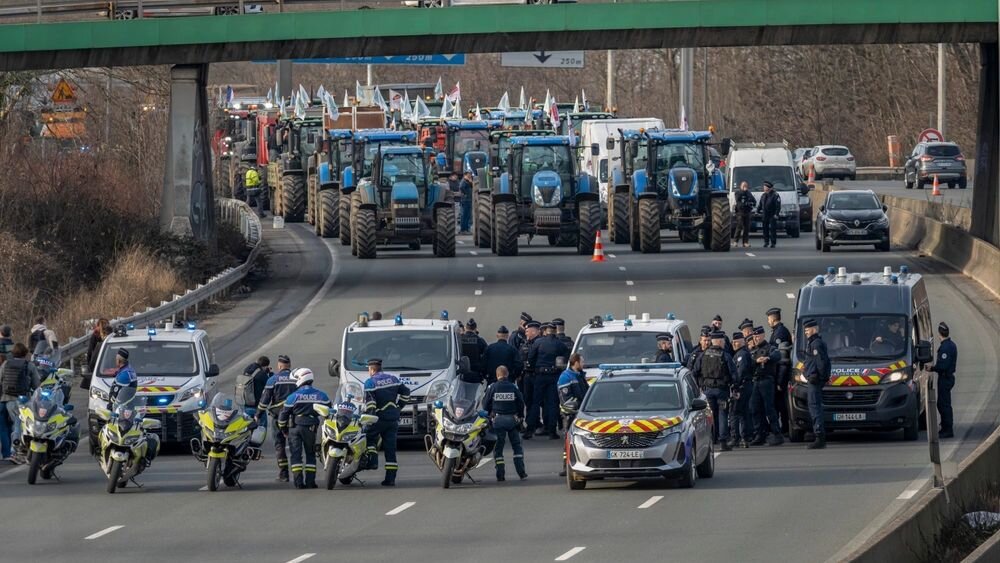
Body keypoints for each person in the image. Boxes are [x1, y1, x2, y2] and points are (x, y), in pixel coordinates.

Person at [278, 368, 331, 489]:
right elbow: (329, 412)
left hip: (295, 428)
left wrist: (283, 429)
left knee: (296, 455)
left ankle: (298, 483)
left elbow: (283, 415)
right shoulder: (321, 395)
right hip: (312, 429)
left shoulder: (293, 397)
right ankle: (310, 482)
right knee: (310, 454)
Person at [363, 358, 411, 486]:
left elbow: (371, 404)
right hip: (393, 419)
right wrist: (398, 407)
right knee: (390, 449)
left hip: (378, 418)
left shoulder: (370, 383)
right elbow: (406, 392)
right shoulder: (393, 379)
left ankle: (373, 461)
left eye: (368, 369)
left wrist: (369, 418)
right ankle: (390, 479)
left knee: (369, 437)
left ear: (372, 369)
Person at [482, 366, 527, 482]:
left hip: (498, 421)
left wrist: (488, 415)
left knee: (498, 449)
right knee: (517, 447)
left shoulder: (492, 387)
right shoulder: (513, 387)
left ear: (497, 375)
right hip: (512, 420)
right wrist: (521, 416)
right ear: (507, 374)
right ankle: (521, 472)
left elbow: (485, 404)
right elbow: (521, 403)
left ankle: (500, 474)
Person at [525, 322, 568, 440]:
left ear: (546, 331)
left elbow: (530, 358)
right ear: (554, 332)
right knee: (553, 404)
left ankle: (529, 430)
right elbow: (565, 360)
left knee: (535, 403)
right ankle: (552, 431)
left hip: (540, 375)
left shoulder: (538, 343)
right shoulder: (560, 344)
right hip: (554, 376)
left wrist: (535, 369)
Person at [258, 355, 297, 482]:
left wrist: (258, 413)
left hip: (277, 417)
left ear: (279, 366)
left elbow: (265, 401)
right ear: (289, 366)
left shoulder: (273, 380)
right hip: (294, 418)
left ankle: (284, 474)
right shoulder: (297, 379)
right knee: (295, 446)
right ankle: (298, 475)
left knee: (279, 445)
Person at [1, 343, 41, 462]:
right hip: (23, 399)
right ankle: (16, 451)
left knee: (13, 425)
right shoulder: (29, 365)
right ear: (25, 353)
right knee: (19, 424)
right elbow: (36, 385)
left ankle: (12, 451)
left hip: (7, 399)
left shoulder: (6, 364)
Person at [697, 331, 736, 450]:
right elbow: (733, 373)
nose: (724, 343)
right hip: (721, 390)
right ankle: (723, 441)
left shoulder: (703, 355)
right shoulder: (725, 355)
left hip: (707, 390)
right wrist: (736, 386)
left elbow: (695, 371)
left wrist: (700, 385)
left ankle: (711, 440)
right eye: (723, 341)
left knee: (710, 415)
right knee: (723, 414)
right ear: (719, 341)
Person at [749, 327, 783, 446]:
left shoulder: (770, 348)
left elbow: (777, 356)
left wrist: (767, 358)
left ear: (763, 335)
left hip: (767, 381)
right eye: (754, 337)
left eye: (758, 336)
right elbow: (748, 364)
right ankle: (760, 434)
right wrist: (756, 361)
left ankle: (777, 434)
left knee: (769, 408)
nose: (756, 339)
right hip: (756, 381)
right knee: (754, 408)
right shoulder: (753, 351)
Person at [557, 353, 588, 476]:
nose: (583, 364)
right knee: (568, 441)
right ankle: (566, 466)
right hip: (570, 415)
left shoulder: (580, 375)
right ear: (576, 362)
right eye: (582, 361)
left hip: (582, 414)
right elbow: (565, 399)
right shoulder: (566, 377)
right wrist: (578, 406)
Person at [800, 319, 830, 449]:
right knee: (814, 406)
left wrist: (819, 377)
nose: (805, 332)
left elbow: (821, 363)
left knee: (814, 407)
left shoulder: (816, 344)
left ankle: (819, 436)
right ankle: (818, 433)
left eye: (807, 330)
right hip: (812, 378)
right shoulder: (813, 343)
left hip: (814, 380)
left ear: (814, 329)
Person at [928, 322, 957, 439]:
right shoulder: (951, 345)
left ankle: (947, 429)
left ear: (939, 333)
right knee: (943, 403)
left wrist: (932, 368)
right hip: (947, 377)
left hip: (945, 377)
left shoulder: (945, 347)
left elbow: (943, 366)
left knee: (944, 404)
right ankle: (945, 426)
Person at [767, 307, 793, 435]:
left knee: (780, 403)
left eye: (768, 318)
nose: (768, 321)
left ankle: (785, 428)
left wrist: (779, 380)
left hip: (780, 374)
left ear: (772, 318)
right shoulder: (778, 331)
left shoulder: (780, 333)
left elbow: (782, 360)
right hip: (778, 373)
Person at [727, 332, 754, 449]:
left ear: (743, 341)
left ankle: (736, 438)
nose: (734, 343)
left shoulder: (741, 355)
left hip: (742, 387)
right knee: (744, 413)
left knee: (734, 412)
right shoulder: (742, 353)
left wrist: (735, 386)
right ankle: (745, 438)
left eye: (736, 341)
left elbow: (740, 372)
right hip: (746, 386)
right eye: (733, 342)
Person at [517, 320, 541, 427]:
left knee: (534, 401)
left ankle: (532, 424)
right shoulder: (525, 343)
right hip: (526, 376)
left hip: (536, 376)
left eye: (527, 331)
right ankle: (533, 421)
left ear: (534, 332)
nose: (525, 333)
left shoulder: (539, 343)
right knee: (528, 400)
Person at [83, 318, 111, 390]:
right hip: (111, 365)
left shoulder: (95, 335)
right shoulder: (111, 335)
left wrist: (89, 365)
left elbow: (90, 351)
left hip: (99, 365)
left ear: (97, 325)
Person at [756, 181, 781, 248]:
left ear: (769, 188)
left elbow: (778, 206)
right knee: (765, 229)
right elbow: (760, 205)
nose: (764, 188)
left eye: (765, 187)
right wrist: (757, 211)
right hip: (765, 214)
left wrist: (776, 214)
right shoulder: (763, 195)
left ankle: (773, 243)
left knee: (772, 229)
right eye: (764, 187)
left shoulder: (775, 195)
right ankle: (766, 242)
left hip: (772, 214)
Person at [733, 180, 754, 247]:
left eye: (746, 186)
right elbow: (738, 200)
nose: (745, 187)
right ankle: (735, 241)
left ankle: (745, 242)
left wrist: (749, 203)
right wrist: (743, 192)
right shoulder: (738, 192)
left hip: (747, 212)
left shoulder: (748, 193)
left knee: (747, 228)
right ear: (741, 186)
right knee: (739, 226)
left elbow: (753, 200)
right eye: (743, 186)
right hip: (740, 212)